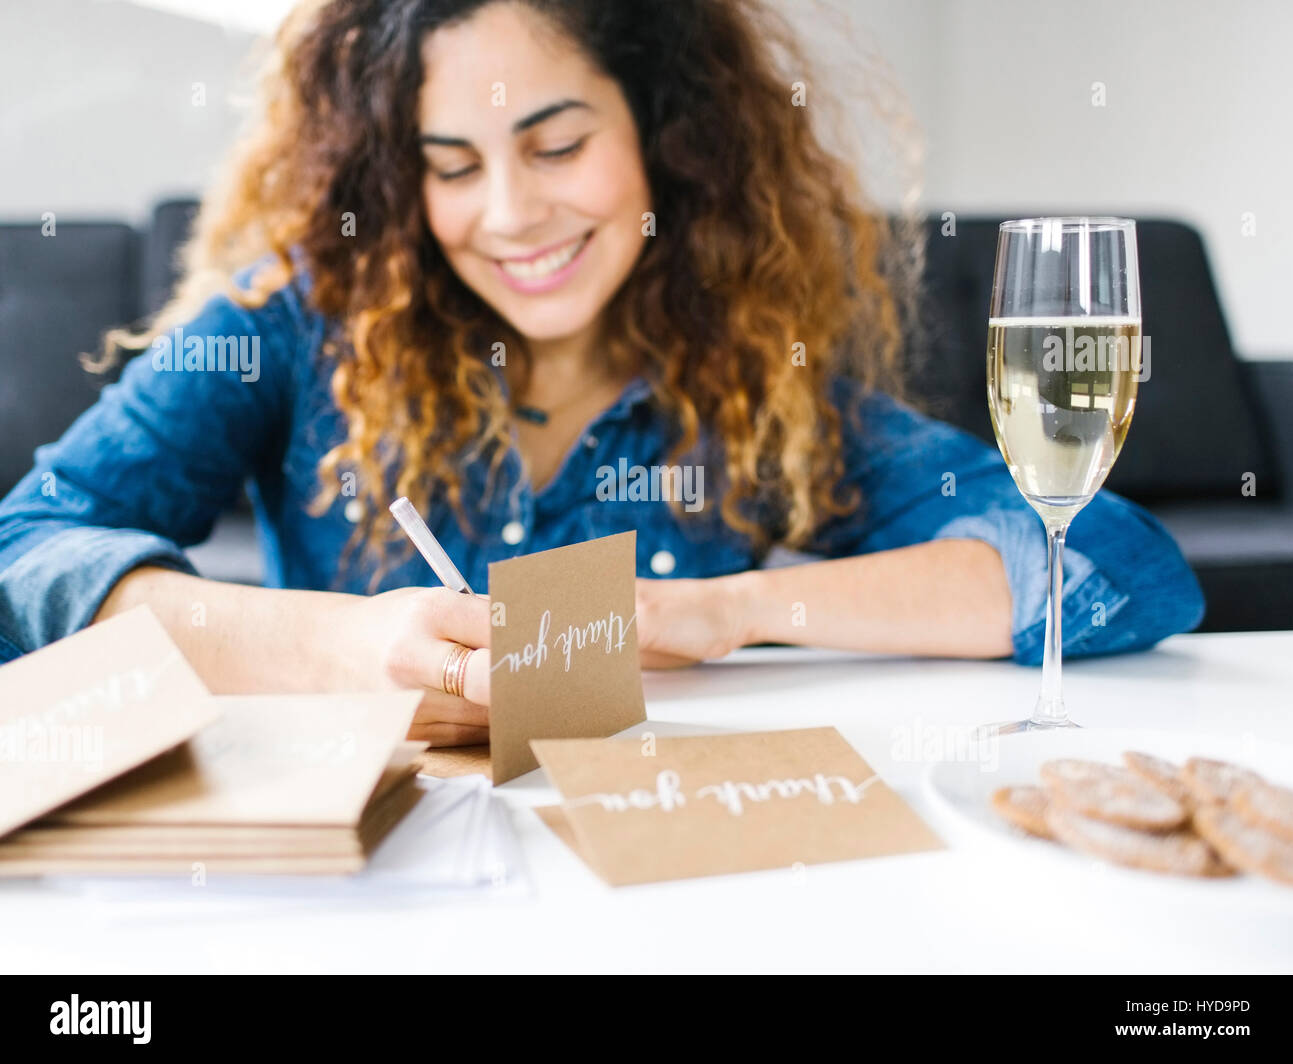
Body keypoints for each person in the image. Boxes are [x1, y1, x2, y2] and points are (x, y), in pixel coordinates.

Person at [0, 0, 1203, 745]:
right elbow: (25, 554)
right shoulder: (290, 325)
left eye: (557, 144)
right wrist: (338, 649)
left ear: (664, 136)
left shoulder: (747, 376)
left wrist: (731, 613)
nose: (511, 213)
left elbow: (1114, 567)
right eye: (451, 165)